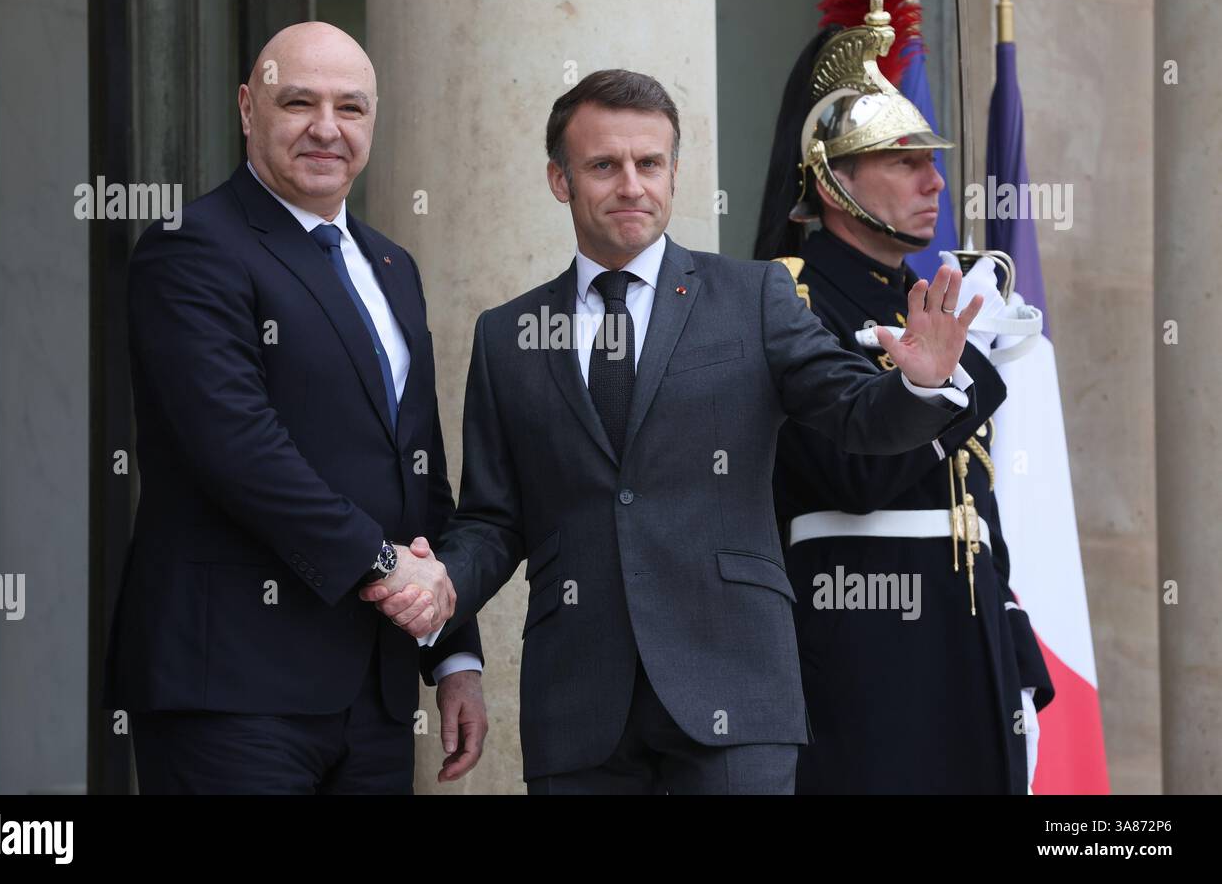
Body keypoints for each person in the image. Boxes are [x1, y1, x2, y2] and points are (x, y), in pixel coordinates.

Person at [365, 56, 984, 794]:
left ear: (673, 172)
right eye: (604, 165)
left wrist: (920, 383)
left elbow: (851, 414)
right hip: (580, 702)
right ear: (561, 179)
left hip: (735, 686)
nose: (631, 184)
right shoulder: (510, 334)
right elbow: (495, 519)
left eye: (649, 163)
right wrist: (442, 584)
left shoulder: (754, 297)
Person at [104, 22, 485, 794]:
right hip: (232, 688)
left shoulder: (392, 266)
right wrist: (387, 567)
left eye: (350, 108)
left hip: (372, 697)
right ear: (249, 108)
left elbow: (418, 470)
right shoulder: (192, 248)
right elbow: (239, 450)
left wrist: (452, 651)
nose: (326, 128)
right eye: (298, 102)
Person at [755, 0, 1054, 794]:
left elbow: (971, 498)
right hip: (861, 639)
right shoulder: (787, 296)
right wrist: (943, 385)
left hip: (968, 640)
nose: (936, 182)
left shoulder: (923, 298)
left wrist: (1011, 633)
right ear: (832, 180)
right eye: (902, 159)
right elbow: (853, 474)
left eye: (932, 157)